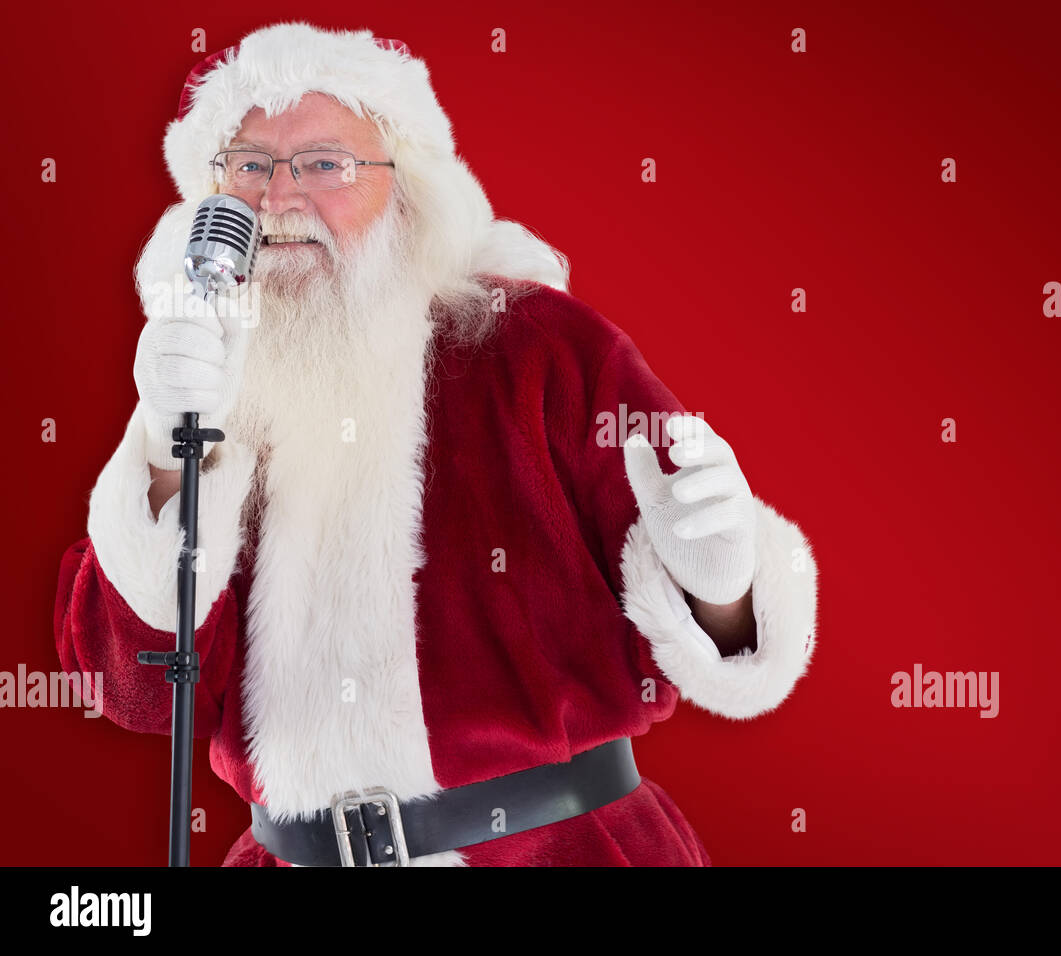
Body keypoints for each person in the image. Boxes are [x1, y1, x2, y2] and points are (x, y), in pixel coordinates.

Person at [53, 21, 819, 866]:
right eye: (250, 167)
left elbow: (716, 636)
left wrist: (727, 586)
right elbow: (141, 695)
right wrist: (169, 452)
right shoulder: (209, 388)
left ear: (407, 189)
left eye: (324, 164)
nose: (278, 199)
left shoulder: (539, 347)